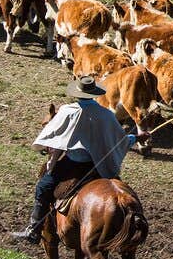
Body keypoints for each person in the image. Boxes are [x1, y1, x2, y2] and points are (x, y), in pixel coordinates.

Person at [13, 76, 137, 244]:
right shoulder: (106, 114)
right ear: (94, 94)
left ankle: (34, 228)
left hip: (72, 165)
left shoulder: (68, 111)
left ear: (77, 93)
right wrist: (134, 138)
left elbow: (56, 139)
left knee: (43, 187)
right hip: (98, 167)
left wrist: (49, 158)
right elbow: (119, 140)